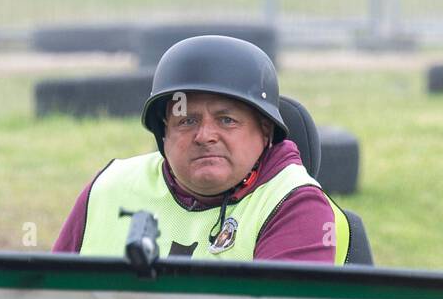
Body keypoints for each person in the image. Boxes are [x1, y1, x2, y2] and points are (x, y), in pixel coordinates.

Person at [52, 34, 350, 264]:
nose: (205, 135)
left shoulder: (295, 205)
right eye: (187, 120)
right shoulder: (108, 187)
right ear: (163, 133)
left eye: (227, 120)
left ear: (265, 130)